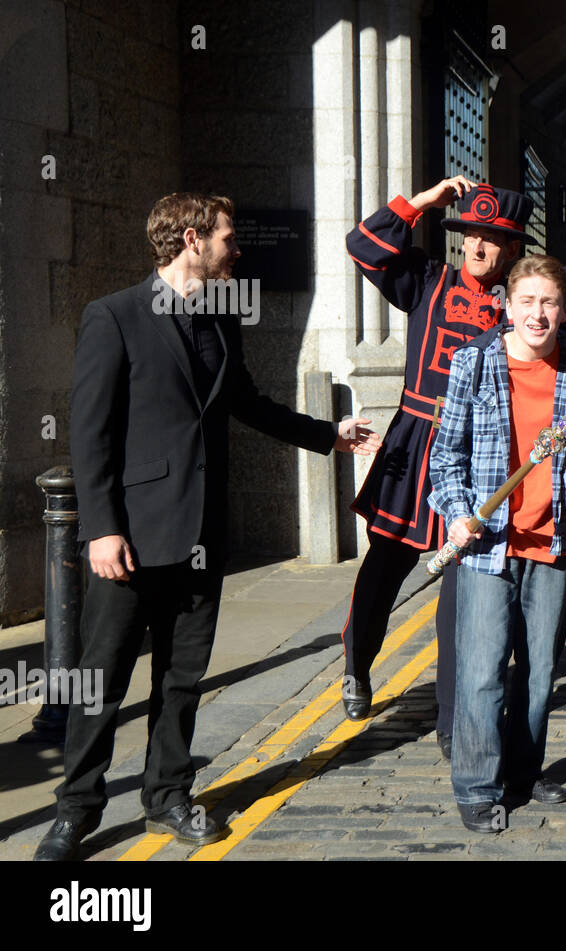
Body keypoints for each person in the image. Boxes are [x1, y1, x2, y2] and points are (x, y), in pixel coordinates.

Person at [36, 193, 381, 861]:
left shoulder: (222, 318)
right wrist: (101, 528)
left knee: (182, 677)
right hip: (129, 538)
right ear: (193, 239)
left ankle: (167, 795)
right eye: (228, 237)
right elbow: (90, 432)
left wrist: (326, 435)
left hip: (199, 534)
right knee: (101, 678)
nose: (237, 248)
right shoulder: (114, 316)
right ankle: (75, 809)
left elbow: (246, 401)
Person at [341, 180, 566, 754]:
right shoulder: (428, 280)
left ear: (513, 249)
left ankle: (453, 719)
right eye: (470, 234)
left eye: (491, 238)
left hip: (484, 456)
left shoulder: (522, 300)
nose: (477, 246)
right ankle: (356, 667)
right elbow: (363, 246)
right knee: (385, 562)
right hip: (420, 439)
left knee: (459, 591)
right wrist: (423, 202)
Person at [429, 255, 566, 833]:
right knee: (481, 672)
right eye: (527, 301)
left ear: (565, 310)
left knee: (539, 673)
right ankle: (478, 787)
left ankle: (524, 773)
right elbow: (445, 456)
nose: (538, 314)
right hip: (488, 546)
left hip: (553, 540)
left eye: (549, 302)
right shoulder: (473, 362)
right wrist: (457, 513)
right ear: (507, 305)